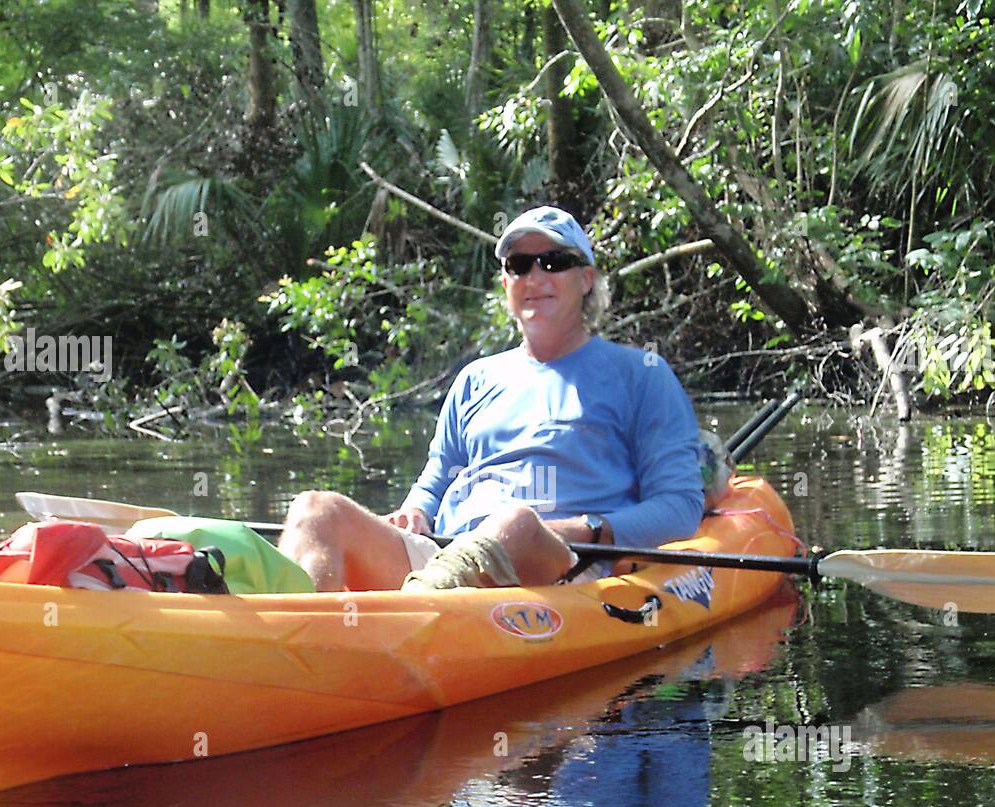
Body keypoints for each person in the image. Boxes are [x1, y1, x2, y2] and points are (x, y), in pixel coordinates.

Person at [279, 206, 704, 593]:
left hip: (562, 563)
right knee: (315, 509)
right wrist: (415, 509)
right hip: (446, 554)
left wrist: (586, 529)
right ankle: (301, 636)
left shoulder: (640, 375)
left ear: (586, 278)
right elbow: (438, 476)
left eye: (553, 262)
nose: (535, 278)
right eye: (519, 265)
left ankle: (411, 615)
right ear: (506, 283)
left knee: (517, 522)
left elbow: (679, 506)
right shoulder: (475, 379)